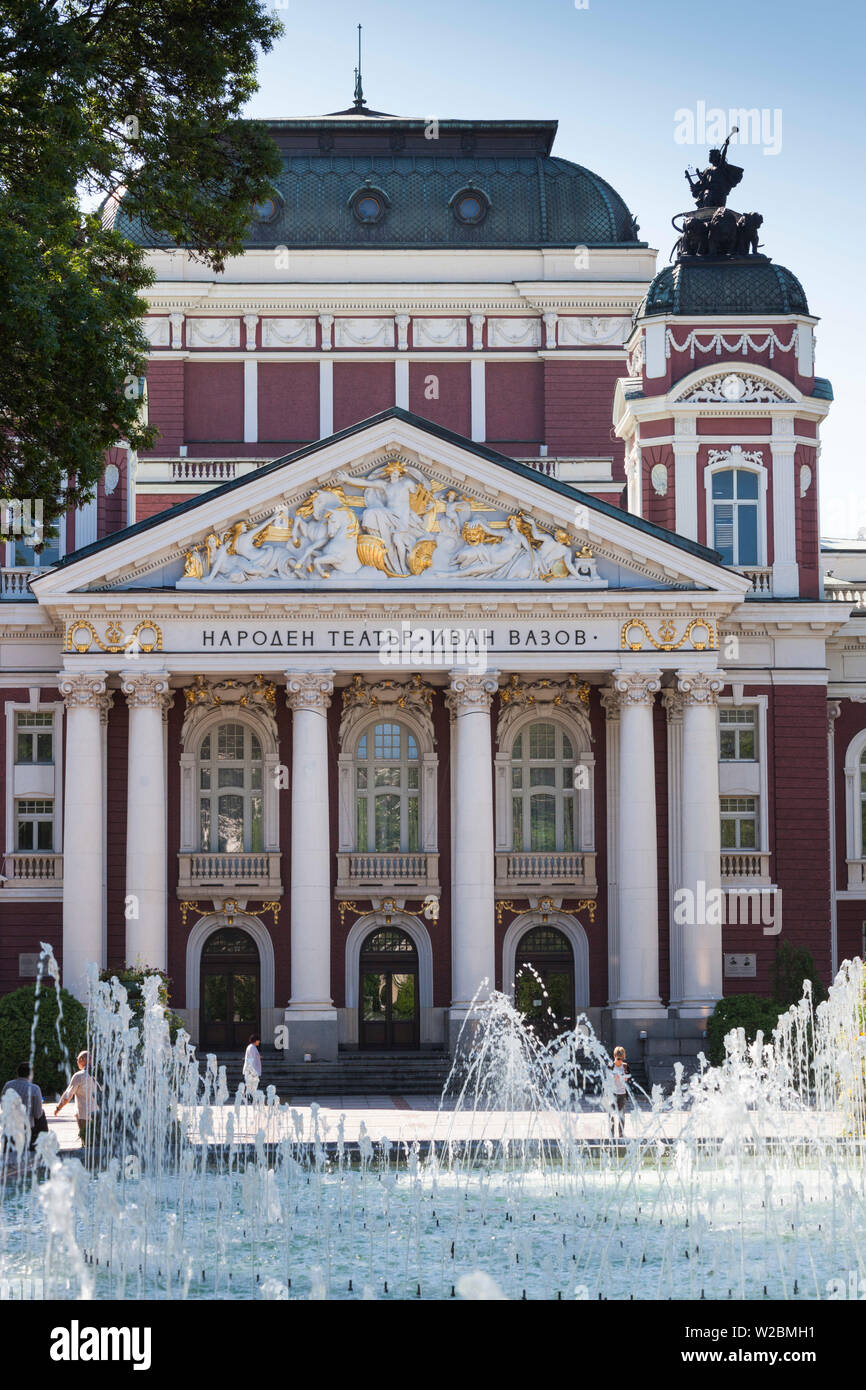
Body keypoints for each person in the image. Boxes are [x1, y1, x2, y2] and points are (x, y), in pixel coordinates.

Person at [1, 1063, 48, 1151]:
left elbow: (3, 1106)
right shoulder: (34, 1088)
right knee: (42, 1114)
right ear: (30, 1074)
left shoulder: (8, 1085)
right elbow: (37, 1114)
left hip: (10, 1128)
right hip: (27, 1129)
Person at [55, 1050, 97, 1145]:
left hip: (84, 1115)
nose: (77, 1062)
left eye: (78, 1060)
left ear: (82, 1060)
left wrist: (58, 1108)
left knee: (86, 1142)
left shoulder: (79, 1076)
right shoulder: (101, 1074)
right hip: (99, 1115)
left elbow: (68, 1095)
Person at [610, 1046, 630, 1141]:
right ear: (614, 1056)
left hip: (622, 1093)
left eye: (621, 1059)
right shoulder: (611, 1066)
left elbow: (628, 1077)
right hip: (612, 1093)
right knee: (612, 1115)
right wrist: (615, 1077)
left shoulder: (625, 1066)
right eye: (618, 1059)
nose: (620, 1061)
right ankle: (611, 1134)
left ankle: (621, 1134)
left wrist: (625, 1077)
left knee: (622, 1114)